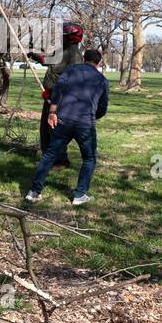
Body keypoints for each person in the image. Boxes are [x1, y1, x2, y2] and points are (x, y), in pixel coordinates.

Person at [24, 48, 109, 206]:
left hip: (64, 120)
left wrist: (52, 112)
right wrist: (92, 116)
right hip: (85, 124)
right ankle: (80, 195)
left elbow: (57, 90)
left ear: (84, 58)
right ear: (99, 62)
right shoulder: (102, 80)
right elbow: (103, 108)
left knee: (50, 155)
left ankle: (34, 192)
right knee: (89, 159)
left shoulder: (70, 71)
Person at [28, 22, 84, 166]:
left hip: (59, 100)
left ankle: (60, 161)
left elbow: (72, 82)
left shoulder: (75, 56)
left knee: (55, 130)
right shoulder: (62, 50)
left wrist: (55, 96)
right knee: (45, 130)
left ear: (72, 38)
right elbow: (48, 61)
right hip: (51, 96)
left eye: (63, 36)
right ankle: (48, 159)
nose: (60, 38)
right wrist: (34, 55)